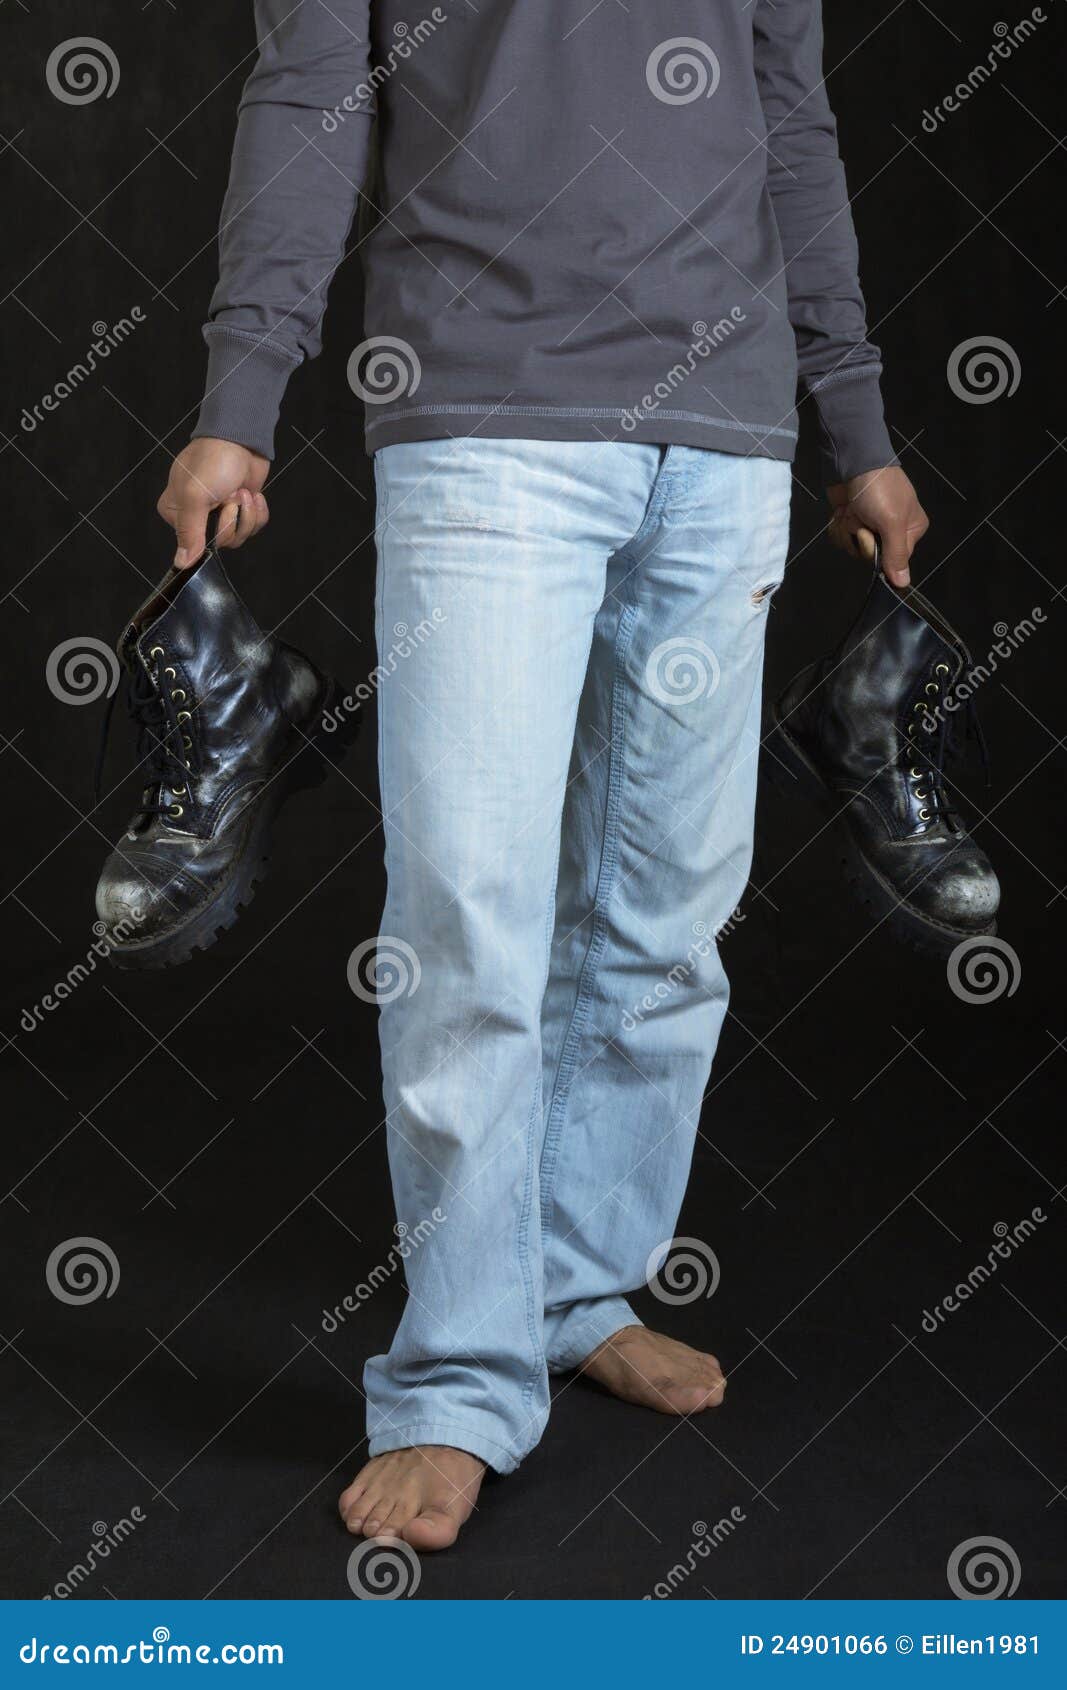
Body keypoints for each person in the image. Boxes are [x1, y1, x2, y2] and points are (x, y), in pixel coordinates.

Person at [157, 2, 929, 1551]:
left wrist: (854, 422)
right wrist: (243, 394)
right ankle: (453, 1381)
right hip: (485, 407)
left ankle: (574, 1287)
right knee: (471, 919)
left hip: (724, 438)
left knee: (664, 920)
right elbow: (311, 86)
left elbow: (792, 117)